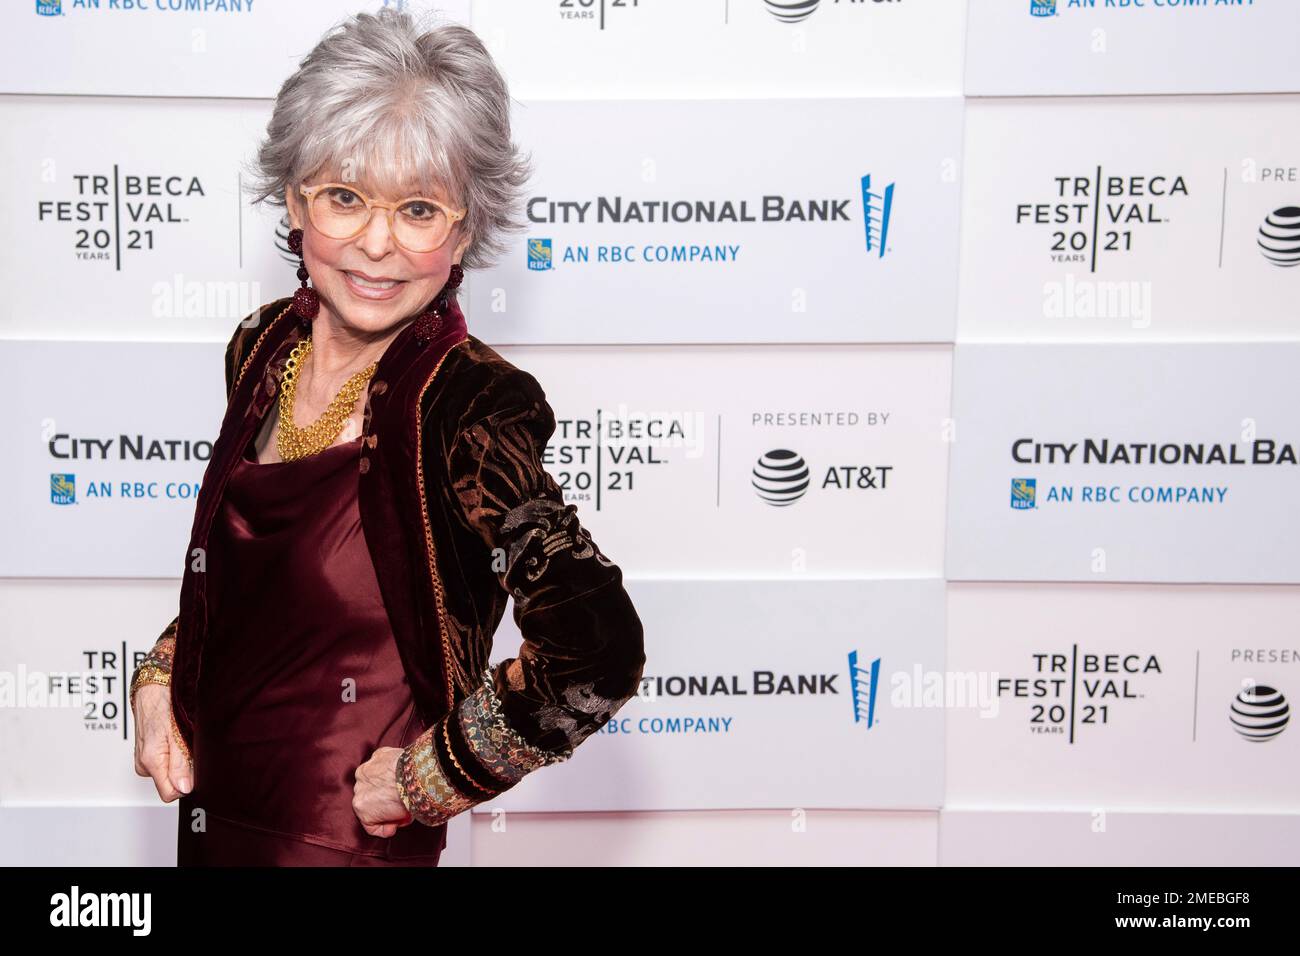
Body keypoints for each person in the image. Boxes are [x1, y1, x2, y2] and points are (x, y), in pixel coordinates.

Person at [127, 9, 645, 867]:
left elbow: (599, 647)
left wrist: (433, 774)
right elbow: (253, 599)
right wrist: (159, 682)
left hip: (345, 850)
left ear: (467, 226)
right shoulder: (262, 349)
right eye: (344, 197)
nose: (375, 244)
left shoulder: (471, 404)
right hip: (213, 824)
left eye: (417, 209)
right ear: (294, 202)